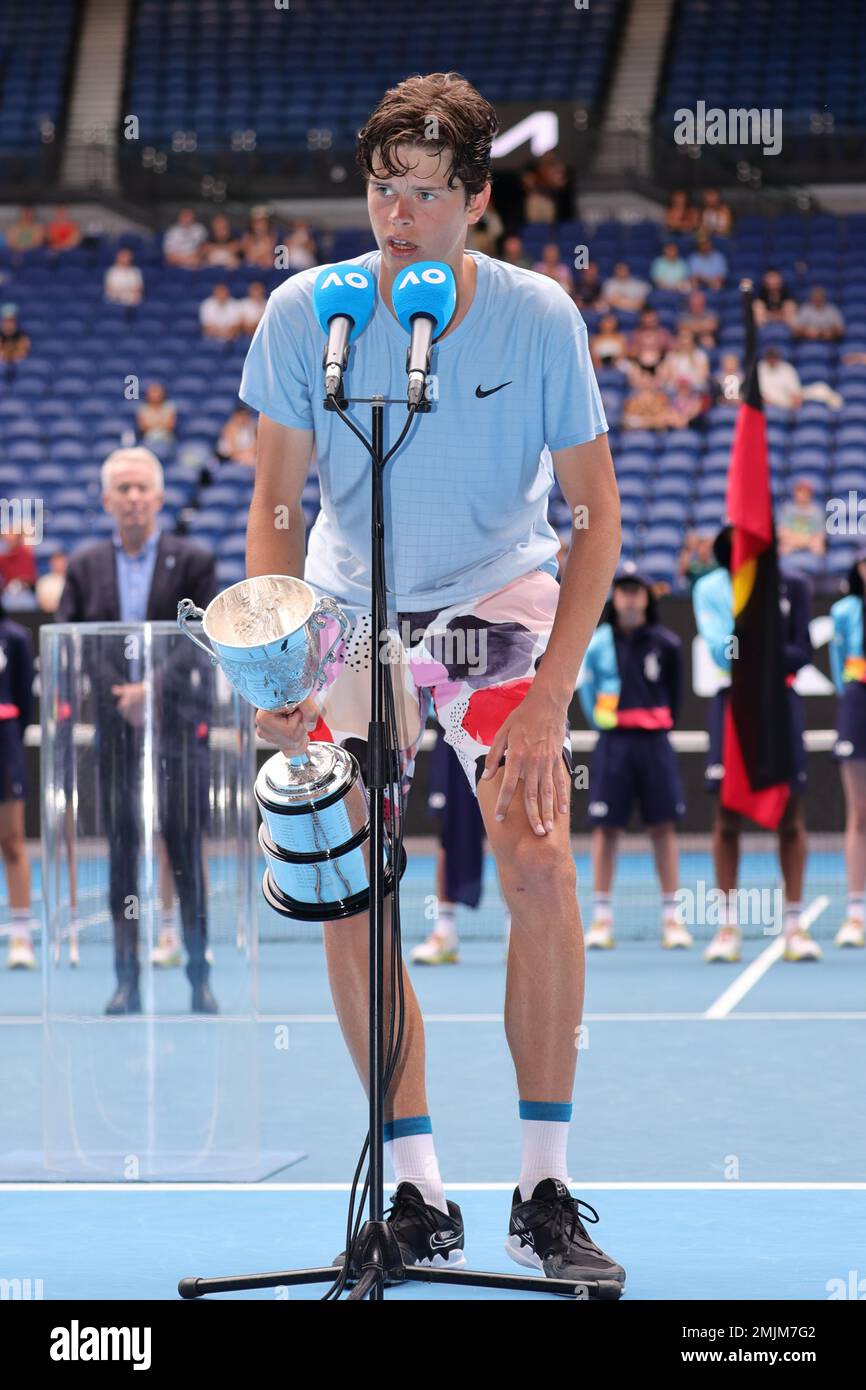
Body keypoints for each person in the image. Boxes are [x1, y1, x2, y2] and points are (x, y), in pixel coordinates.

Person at [239, 71, 625, 1292]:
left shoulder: (539, 316)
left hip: (493, 600)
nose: (394, 216)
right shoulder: (308, 314)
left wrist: (553, 688)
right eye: (379, 191)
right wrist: (283, 653)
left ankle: (543, 1186)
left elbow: (595, 519)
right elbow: (274, 504)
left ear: (473, 200)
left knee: (539, 851)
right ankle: (412, 1189)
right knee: (349, 886)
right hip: (348, 609)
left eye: (420, 194)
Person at [56, 447, 219, 1014]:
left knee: (184, 853)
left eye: (140, 488)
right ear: (106, 500)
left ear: (158, 497)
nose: (131, 498)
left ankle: (199, 976)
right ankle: (126, 980)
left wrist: (151, 691)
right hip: (116, 735)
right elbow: (73, 641)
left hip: (177, 730)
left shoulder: (194, 561)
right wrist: (119, 698)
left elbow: (199, 636)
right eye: (121, 489)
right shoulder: (83, 567)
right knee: (123, 854)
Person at [693, 527, 817, 963]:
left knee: (790, 814)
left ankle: (795, 925)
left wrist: (765, 654)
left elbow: (802, 650)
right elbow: (720, 649)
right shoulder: (709, 587)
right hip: (734, 704)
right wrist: (757, 645)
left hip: (781, 705)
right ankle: (727, 926)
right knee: (726, 816)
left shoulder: (794, 584)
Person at [579, 564, 688, 950]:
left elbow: (676, 696)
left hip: (654, 744)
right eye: (623, 590)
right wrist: (600, 721)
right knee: (606, 830)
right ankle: (602, 919)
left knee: (662, 828)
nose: (629, 597)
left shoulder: (668, 644)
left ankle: (672, 918)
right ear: (615, 598)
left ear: (646, 598)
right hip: (613, 746)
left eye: (636, 591)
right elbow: (586, 690)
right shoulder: (599, 643)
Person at [410, 734, 489, 965]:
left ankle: (515, 932)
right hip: (454, 735)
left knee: (511, 831)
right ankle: (445, 932)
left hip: (502, 730)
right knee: (448, 831)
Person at [0, 581, 38, 969]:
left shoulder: (15, 638)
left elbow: (26, 701)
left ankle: (21, 936)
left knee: (12, 841)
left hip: (5, 746)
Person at [830, 546, 866, 948]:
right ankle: (855, 913)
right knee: (859, 811)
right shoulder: (844, 612)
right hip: (857, 704)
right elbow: (839, 663)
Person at [777, 479, 826, 558]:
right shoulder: (787, 509)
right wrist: (797, 541)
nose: (802, 494)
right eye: (800, 491)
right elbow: (782, 532)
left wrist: (805, 542)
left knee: (818, 547)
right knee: (783, 548)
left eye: (805, 491)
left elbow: (820, 534)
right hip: (791, 541)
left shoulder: (817, 511)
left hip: (810, 542)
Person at [628, 308, 671, 373]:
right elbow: (631, 353)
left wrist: (659, 352)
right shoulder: (636, 334)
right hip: (639, 364)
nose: (649, 321)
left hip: (660, 364)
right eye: (647, 318)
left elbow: (670, 350)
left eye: (652, 319)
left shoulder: (663, 333)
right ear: (642, 319)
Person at [136, 381, 177, 448]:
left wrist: (152, 424)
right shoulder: (142, 408)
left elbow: (170, 426)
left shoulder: (169, 407)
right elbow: (143, 427)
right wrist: (160, 423)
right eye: (153, 392)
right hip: (148, 437)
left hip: (166, 436)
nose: (155, 395)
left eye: (157, 392)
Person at [0, 525, 37, 592]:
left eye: (12, 535)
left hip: (29, 588)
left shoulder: (27, 552)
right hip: (9, 591)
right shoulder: (3, 558)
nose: (10, 539)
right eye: (8, 537)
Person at [0, 305, 31, 379]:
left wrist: (9, 356)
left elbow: (22, 354)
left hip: (19, 366)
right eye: (6, 321)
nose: (9, 324)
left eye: (11, 321)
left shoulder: (22, 336)